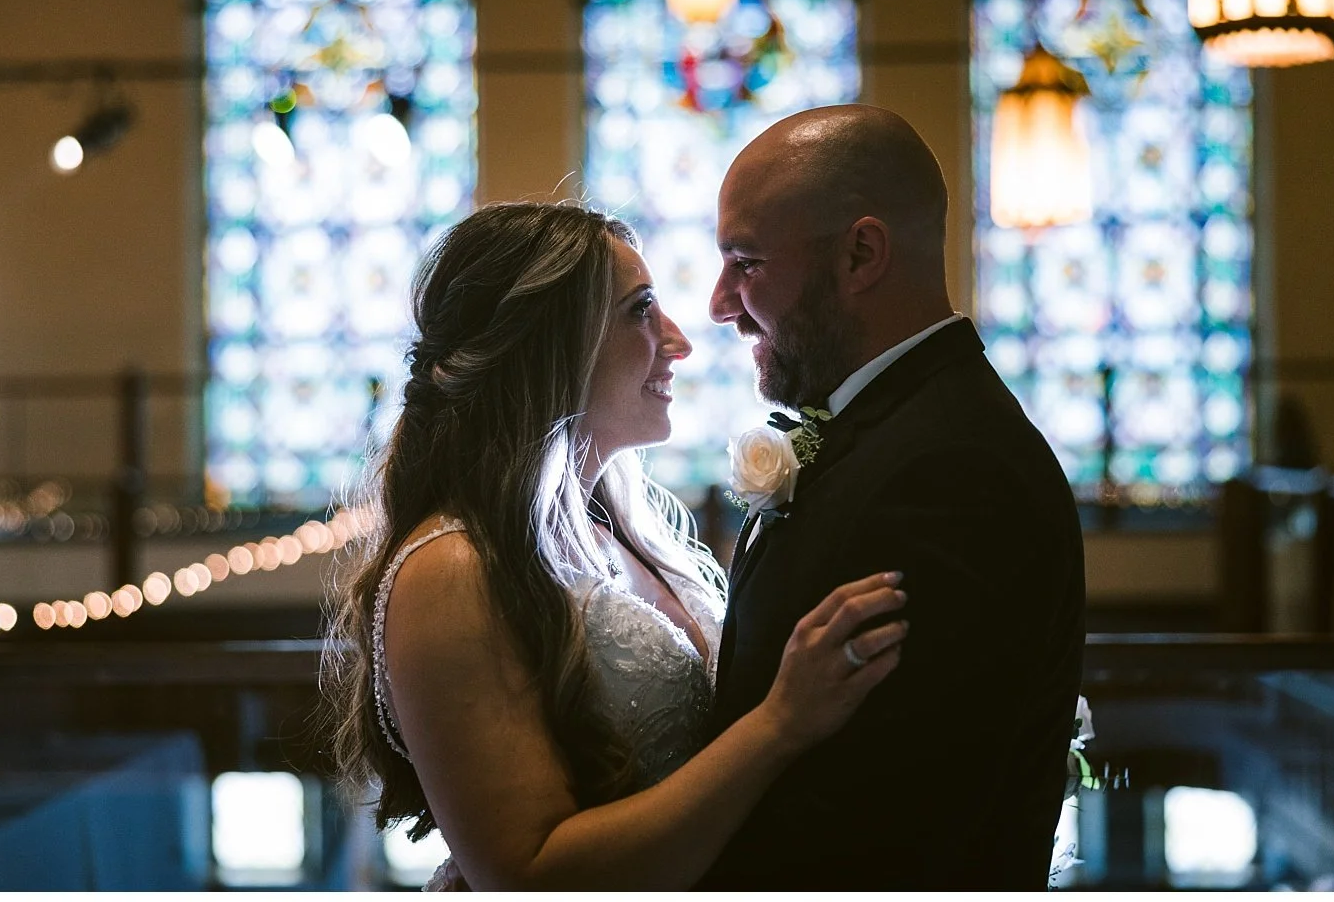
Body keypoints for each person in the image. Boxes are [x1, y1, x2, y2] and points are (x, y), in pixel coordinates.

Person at [321, 202, 911, 890]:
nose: (679, 340)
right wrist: (781, 723)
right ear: (549, 342)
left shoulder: (620, 527)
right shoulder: (452, 568)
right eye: (640, 310)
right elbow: (528, 875)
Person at [698, 104, 1086, 889]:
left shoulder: (954, 472)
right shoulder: (890, 429)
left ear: (861, 253)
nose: (719, 303)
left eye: (747, 263)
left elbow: (888, 821)